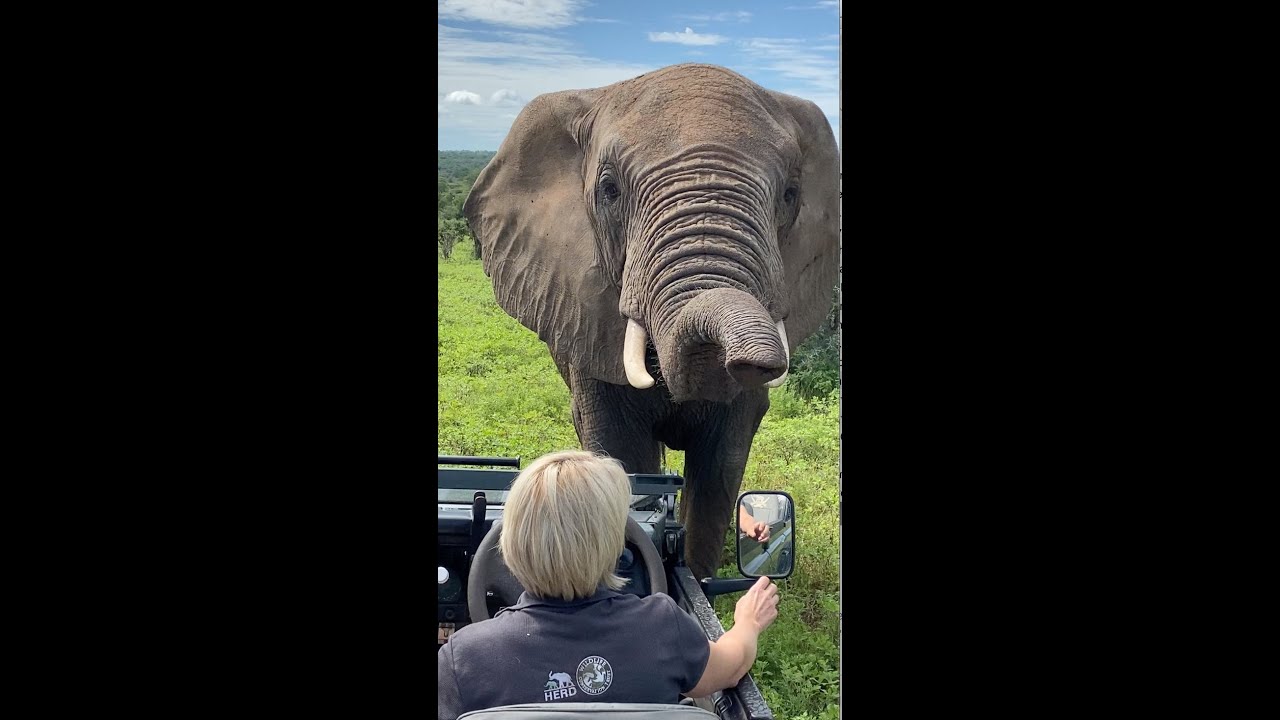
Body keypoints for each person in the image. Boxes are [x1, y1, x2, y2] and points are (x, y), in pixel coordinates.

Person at [438, 451, 779, 718]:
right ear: (616, 544)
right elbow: (731, 667)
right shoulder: (662, 626)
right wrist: (748, 623)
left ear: (509, 545)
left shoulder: (464, 656)